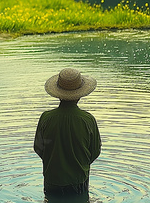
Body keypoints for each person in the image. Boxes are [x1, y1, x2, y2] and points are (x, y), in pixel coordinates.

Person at [34, 67, 101, 195]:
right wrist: (80, 165)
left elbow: (38, 148)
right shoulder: (87, 120)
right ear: (79, 95)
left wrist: (53, 161)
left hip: (52, 181)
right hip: (78, 181)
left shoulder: (46, 118)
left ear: (58, 93)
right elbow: (95, 151)